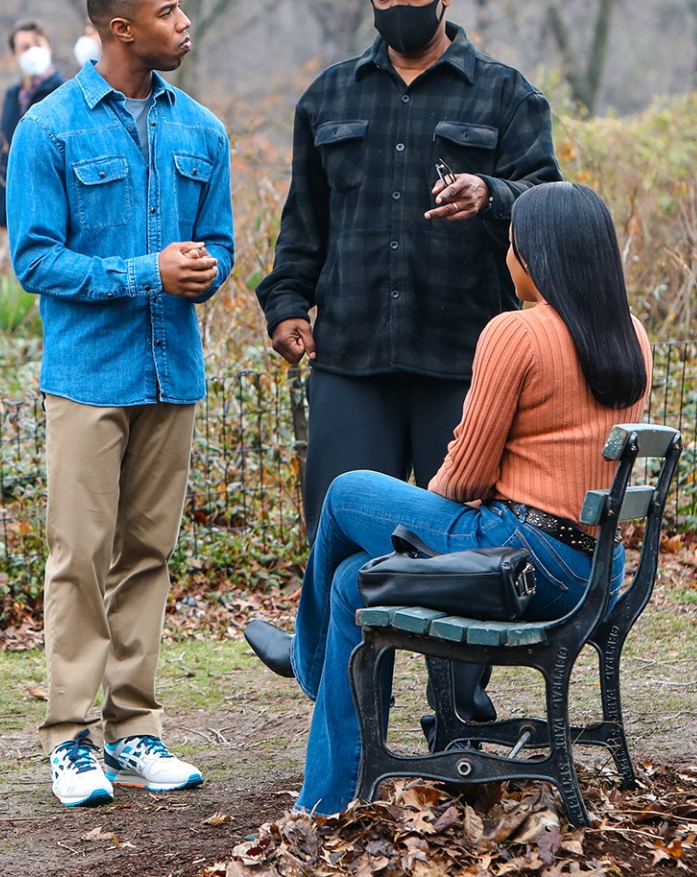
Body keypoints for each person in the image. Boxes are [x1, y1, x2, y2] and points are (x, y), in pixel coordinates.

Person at [245, 181, 652, 816]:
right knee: (352, 581)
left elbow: (464, 479)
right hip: (593, 571)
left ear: (537, 254)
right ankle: (327, 801)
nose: (507, 257)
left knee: (347, 492)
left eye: (512, 244)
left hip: (520, 561)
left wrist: (429, 509)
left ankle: (306, 658)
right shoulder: (630, 333)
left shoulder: (517, 332)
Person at [6, 0, 234, 807]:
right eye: (167, 11)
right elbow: (34, 259)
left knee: (147, 557)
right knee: (79, 557)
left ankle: (134, 732)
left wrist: (207, 269)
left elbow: (220, 241)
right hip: (88, 379)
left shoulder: (203, 130)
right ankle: (70, 740)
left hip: (173, 376)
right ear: (120, 29)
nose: (185, 21)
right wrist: (147, 272)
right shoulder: (48, 129)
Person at [256, 0, 562, 547]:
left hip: (467, 361)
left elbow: (549, 208)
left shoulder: (507, 95)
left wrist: (491, 193)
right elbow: (304, 222)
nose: (398, 4)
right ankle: (336, 622)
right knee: (342, 538)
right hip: (351, 357)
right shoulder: (327, 97)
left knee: (461, 543)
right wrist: (286, 303)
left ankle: (448, 623)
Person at [0, 20, 65, 228]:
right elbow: (4, 152)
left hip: (50, 210)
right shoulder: (12, 96)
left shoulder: (64, 93)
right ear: (14, 55)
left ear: (49, 47)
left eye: (38, 44)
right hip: (14, 208)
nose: (33, 51)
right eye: (25, 47)